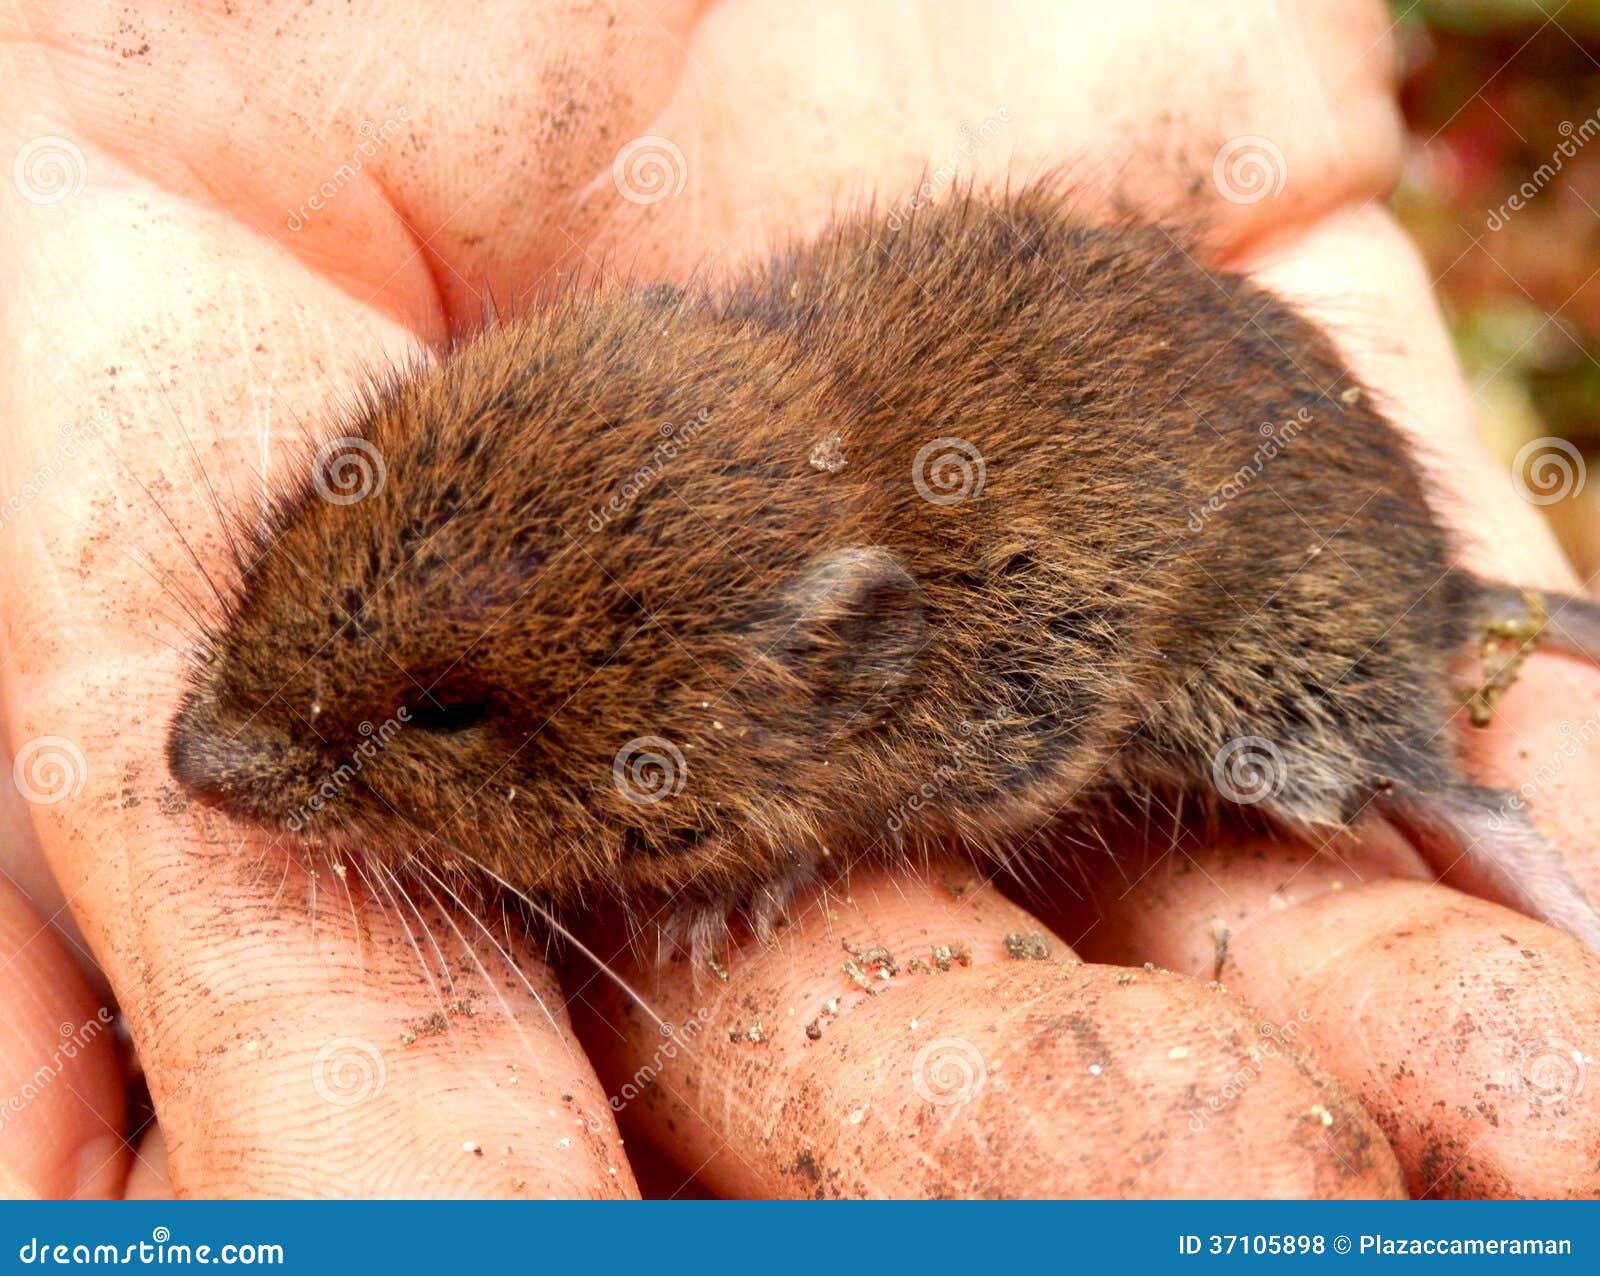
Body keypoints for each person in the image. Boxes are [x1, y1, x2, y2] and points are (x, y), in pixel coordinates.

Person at [0, 0, 1595, 1200]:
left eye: (442, 715)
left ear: (832, 671)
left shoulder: (890, 661)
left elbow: (1029, 734)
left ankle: (1463, 807)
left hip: (1309, 569)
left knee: (1319, 756)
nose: (209, 761)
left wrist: (809, 839)